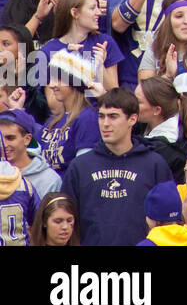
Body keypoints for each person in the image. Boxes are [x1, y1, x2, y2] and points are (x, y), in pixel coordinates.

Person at [60, 86, 173, 246]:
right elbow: (66, 220)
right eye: (101, 116)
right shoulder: (80, 166)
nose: (105, 124)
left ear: (132, 119)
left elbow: (168, 223)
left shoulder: (154, 164)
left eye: (113, 116)